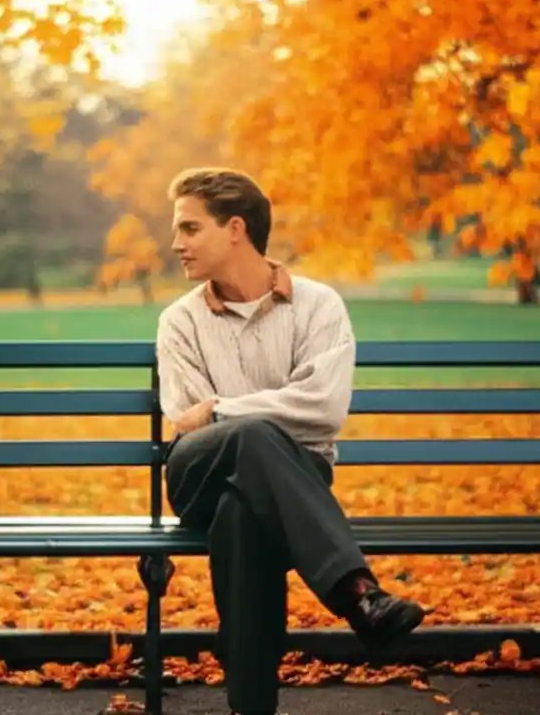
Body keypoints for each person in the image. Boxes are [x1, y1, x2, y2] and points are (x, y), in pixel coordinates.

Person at [155, 168, 427, 715]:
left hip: (290, 481)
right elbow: (187, 422)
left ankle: (250, 705)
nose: (176, 243)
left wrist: (226, 408)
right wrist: (247, 417)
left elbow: (323, 409)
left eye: (189, 228)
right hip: (197, 478)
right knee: (248, 448)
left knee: (242, 513)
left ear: (235, 229)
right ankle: (358, 597)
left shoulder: (319, 307)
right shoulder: (179, 322)